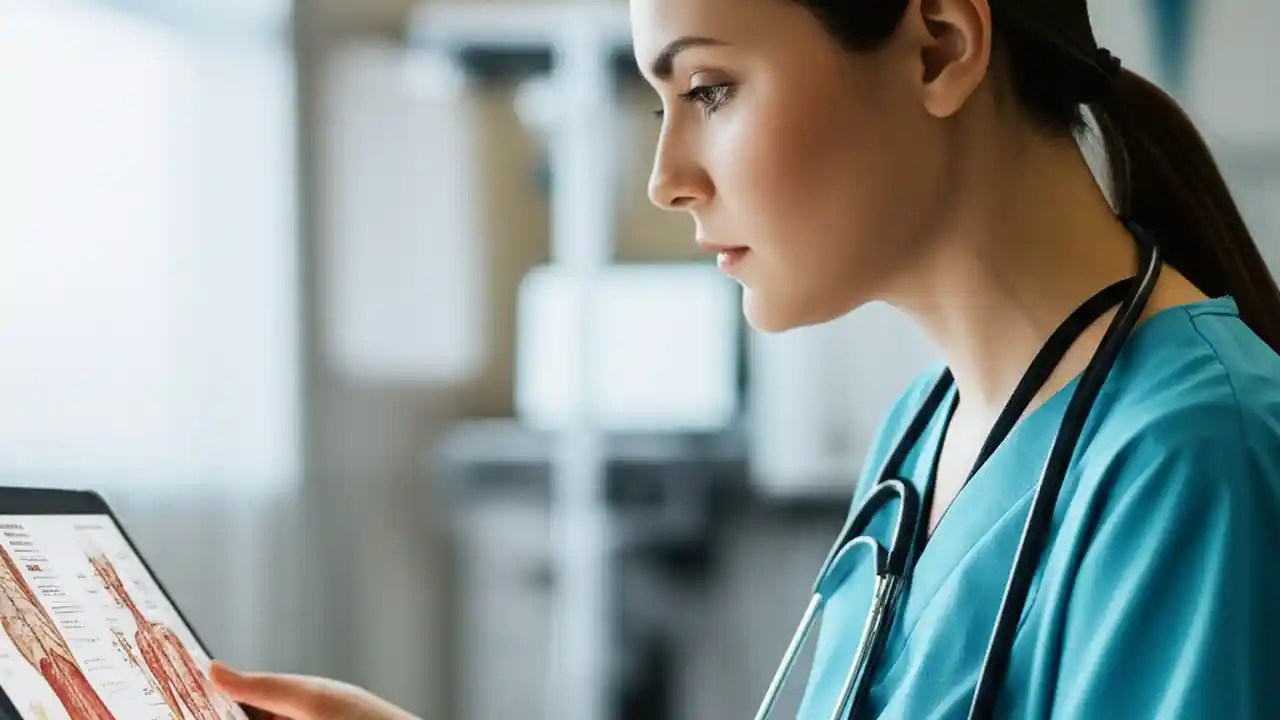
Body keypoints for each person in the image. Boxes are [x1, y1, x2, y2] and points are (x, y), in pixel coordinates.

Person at [213, 0, 1280, 717]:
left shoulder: (1187, 457)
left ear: (938, 47)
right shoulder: (928, 428)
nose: (664, 177)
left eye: (710, 91)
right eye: (658, 103)